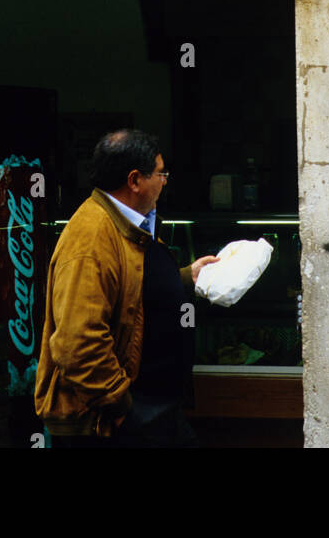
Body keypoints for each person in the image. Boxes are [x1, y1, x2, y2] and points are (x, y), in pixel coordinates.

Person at [34, 128, 218, 448]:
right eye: (161, 173)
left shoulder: (131, 222)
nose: (164, 181)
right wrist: (122, 406)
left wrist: (187, 277)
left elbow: (136, 287)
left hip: (153, 413)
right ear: (135, 181)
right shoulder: (90, 239)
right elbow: (77, 344)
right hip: (113, 424)